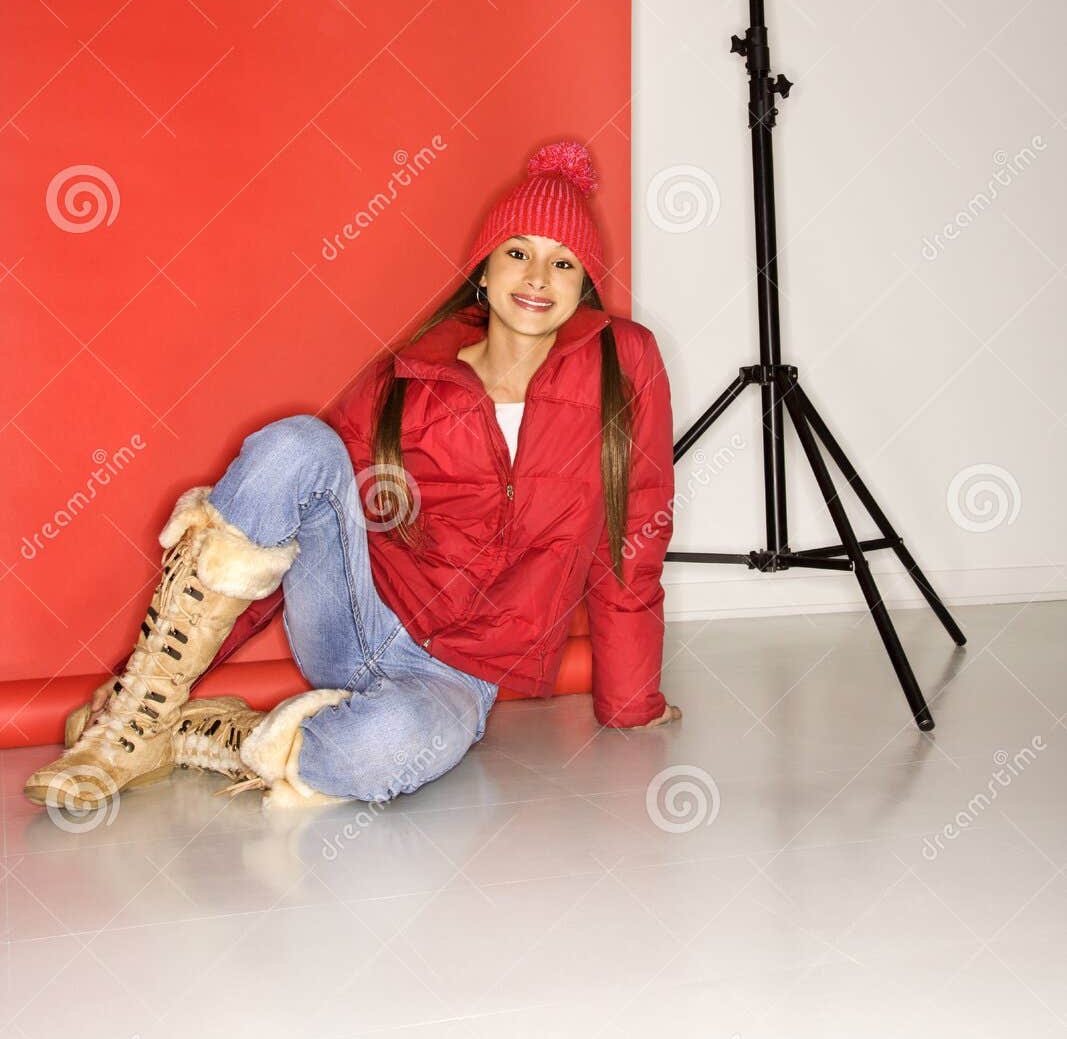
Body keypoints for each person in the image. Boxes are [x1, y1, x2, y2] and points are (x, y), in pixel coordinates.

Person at [24, 139, 681, 815]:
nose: (537, 275)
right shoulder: (408, 375)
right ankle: (137, 717)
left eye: (562, 262)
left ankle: (205, 735)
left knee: (384, 752)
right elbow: (289, 506)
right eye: (518, 251)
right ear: (483, 268)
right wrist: (158, 678)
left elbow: (635, 530)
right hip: (351, 616)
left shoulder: (622, 364)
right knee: (296, 443)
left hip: (454, 676)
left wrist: (631, 703)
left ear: (583, 285)